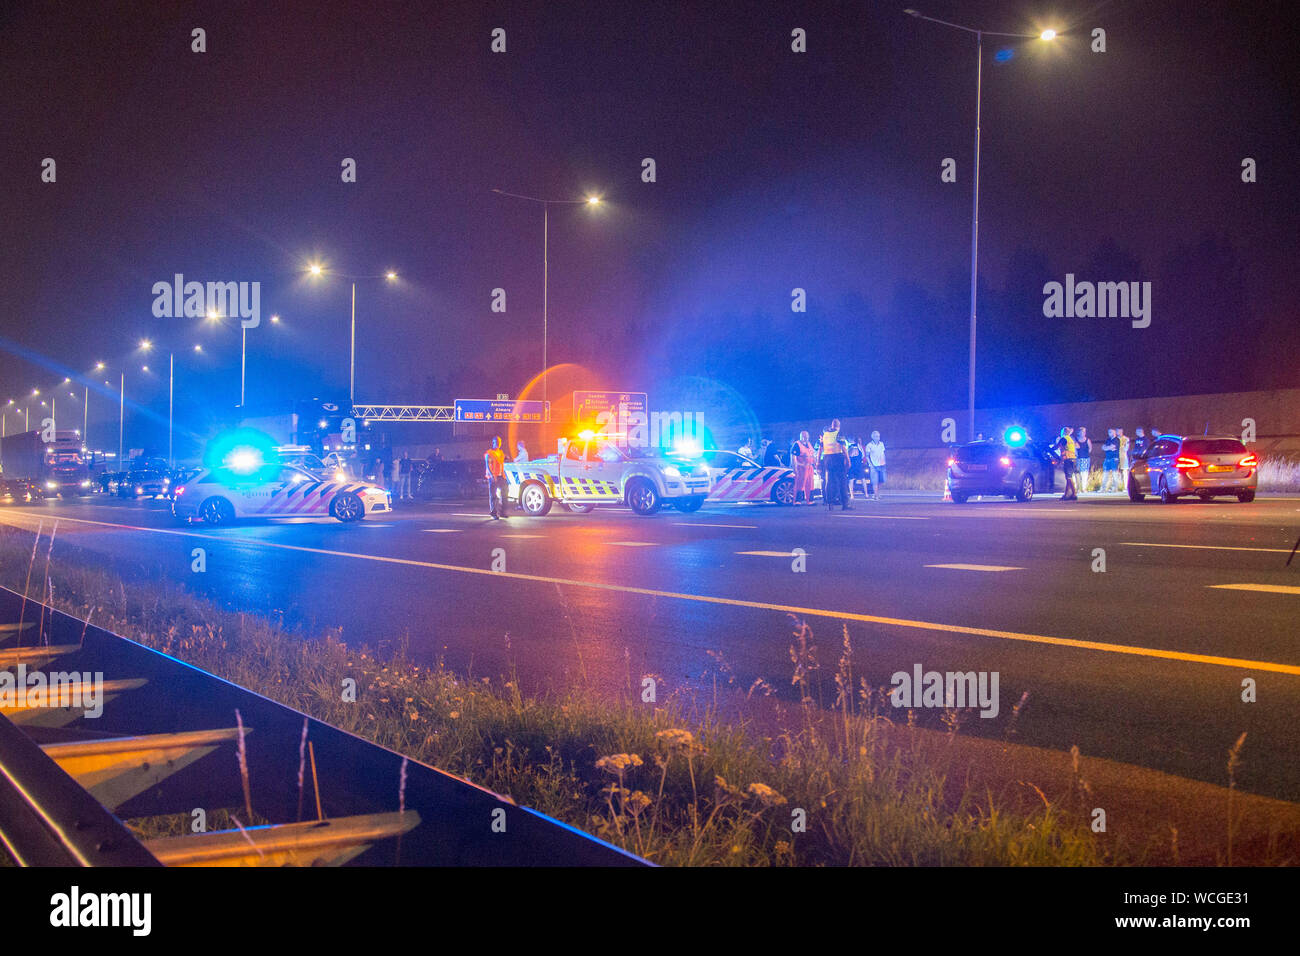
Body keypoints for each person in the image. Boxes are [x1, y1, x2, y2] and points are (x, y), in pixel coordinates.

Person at [820, 420, 851, 511]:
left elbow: (820, 449)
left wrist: (818, 461)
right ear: (839, 425)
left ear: (831, 425)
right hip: (838, 458)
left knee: (830, 482)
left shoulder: (825, 434)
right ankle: (845, 504)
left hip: (827, 459)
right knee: (842, 481)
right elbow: (843, 447)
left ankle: (830, 503)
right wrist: (848, 459)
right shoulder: (839, 433)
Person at [484, 436, 509, 519]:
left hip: (501, 476)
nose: (498, 443)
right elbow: (488, 466)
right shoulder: (489, 453)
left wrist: (506, 458)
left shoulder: (501, 453)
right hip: (493, 477)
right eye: (496, 442)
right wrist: (492, 476)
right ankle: (494, 513)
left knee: (504, 494)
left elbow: (501, 462)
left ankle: (502, 512)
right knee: (493, 496)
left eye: (499, 442)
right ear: (493, 442)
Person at [1055, 427, 1078, 500]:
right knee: (1069, 477)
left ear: (1063, 432)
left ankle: (1074, 494)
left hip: (1068, 459)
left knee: (1069, 477)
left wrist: (1048, 449)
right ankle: (1066, 494)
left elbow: (1056, 447)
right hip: (1073, 459)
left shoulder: (1063, 438)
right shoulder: (1070, 439)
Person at [793, 431, 816, 505]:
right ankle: (797, 501)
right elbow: (793, 457)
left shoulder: (809, 444)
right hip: (801, 467)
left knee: (810, 484)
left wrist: (816, 465)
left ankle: (810, 500)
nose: (805, 438)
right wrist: (795, 468)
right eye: (804, 436)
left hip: (809, 467)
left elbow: (812, 455)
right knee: (800, 484)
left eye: (806, 436)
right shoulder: (797, 444)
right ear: (800, 437)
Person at [865, 430, 886, 501]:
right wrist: (870, 464)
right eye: (876, 436)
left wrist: (884, 461)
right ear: (872, 437)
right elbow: (867, 456)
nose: (878, 438)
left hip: (882, 465)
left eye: (879, 436)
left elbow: (883, 453)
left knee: (881, 480)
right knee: (875, 481)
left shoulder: (881, 444)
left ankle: (876, 493)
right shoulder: (869, 445)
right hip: (874, 465)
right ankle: (876, 495)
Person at [1074, 427, 1092, 494]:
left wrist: (1086, 454)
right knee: (1077, 473)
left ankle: (1084, 488)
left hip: (1085, 458)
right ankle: (1077, 488)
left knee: (1084, 473)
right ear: (1078, 432)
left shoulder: (1087, 440)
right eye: (1082, 432)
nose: (1083, 433)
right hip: (1078, 458)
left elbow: (1090, 448)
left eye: (1084, 432)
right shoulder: (1076, 440)